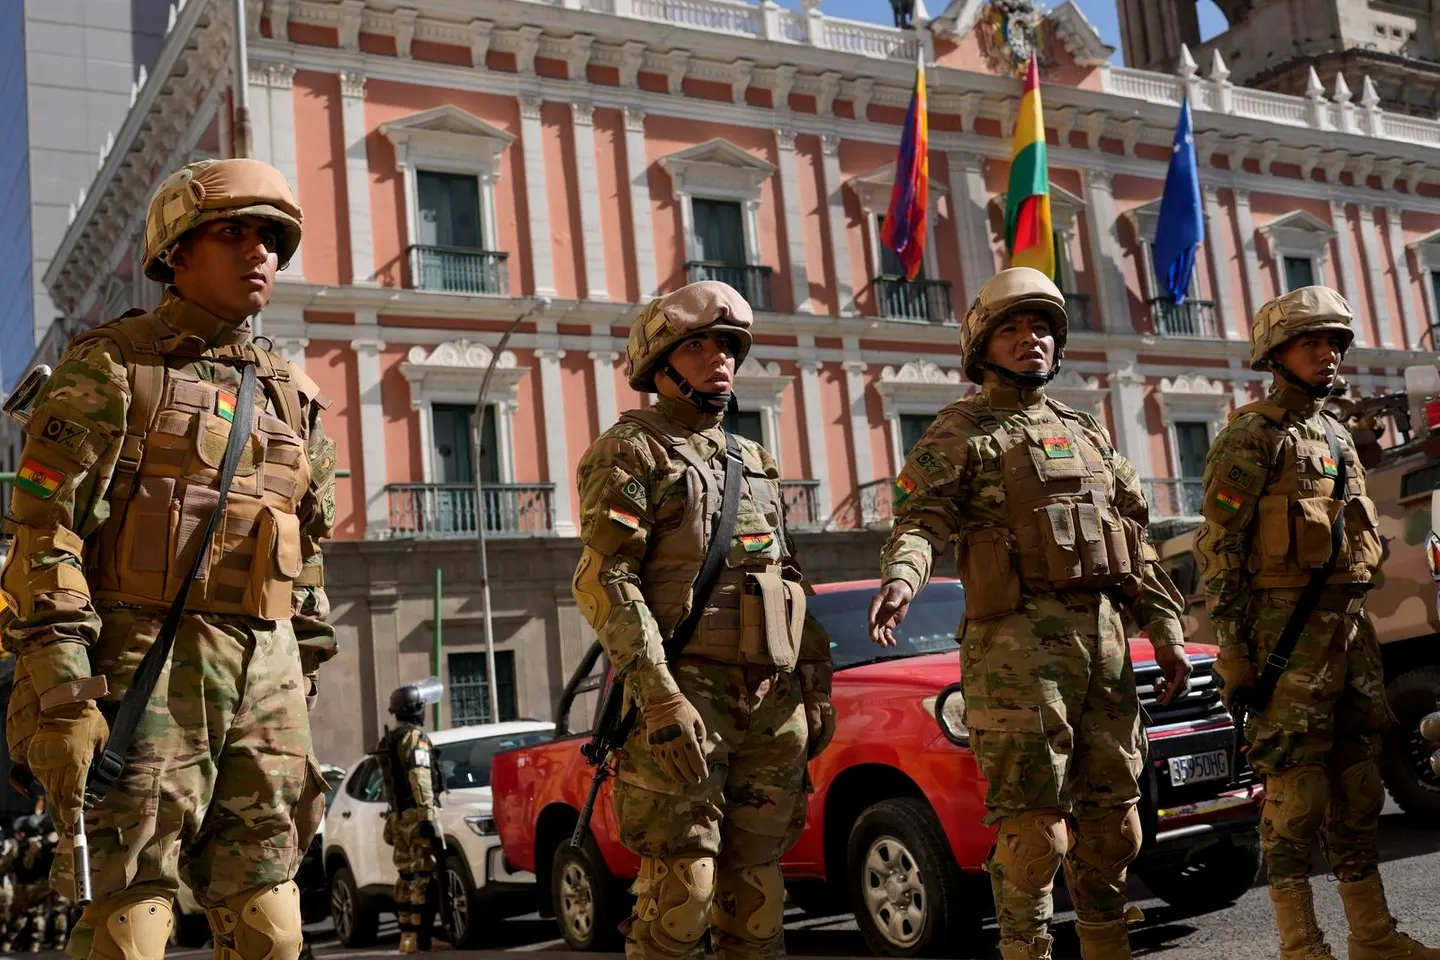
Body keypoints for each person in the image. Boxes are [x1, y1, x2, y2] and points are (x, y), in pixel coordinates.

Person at [0, 157, 337, 960]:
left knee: (272, 924)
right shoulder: (112, 366)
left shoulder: (292, 391)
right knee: (131, 920)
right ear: (177, 253)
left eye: (271, 239)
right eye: (234, 233)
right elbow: (46, 534)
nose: (259, 252)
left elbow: (308, 548)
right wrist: (66, 692)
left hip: (266, 676)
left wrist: (306, 665)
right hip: (144, 668)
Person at [867, 267, 1192, 960]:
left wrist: (1165, 631)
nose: (1030, 340)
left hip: (1102, 650)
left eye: (1041, 327)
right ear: (982, 346)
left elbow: (1136, 542)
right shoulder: (960, 432)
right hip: (1015, 656)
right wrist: (903, 578)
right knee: (1034, 833)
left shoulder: (1088, 434)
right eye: (1012, 329)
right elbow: (920, 521)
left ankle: (1107, 945)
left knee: (1117, 826)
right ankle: (1026, 947)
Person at [571, 281, 834, 960]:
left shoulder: (757, 462)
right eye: (697, 345)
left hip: (770, 705)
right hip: (685, 701)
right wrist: (658, 698)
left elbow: (788, 580)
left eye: (727, 345)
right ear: (661, 364)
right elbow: (606, 576)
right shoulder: (632, 449)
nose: (718, 357)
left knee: (759, 899)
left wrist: (815, 683)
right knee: (682, 895)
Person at [1196, 286, 1438, 960]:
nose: (1328, 355)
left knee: (1359, 790)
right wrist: (1236, 654)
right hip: (1284, 644)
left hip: (1349, 638)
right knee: (1296, 799)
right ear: (1276, 354)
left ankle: (1373, 935)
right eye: (1311, 343)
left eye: (1334, 343)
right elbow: (1219, 550)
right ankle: (1302, 945)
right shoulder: (1253, 436)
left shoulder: (1335, 433)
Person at [376, 682, 445, 954]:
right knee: (423, 877)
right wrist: (428, 814)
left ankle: (407, 938)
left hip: (398, 817)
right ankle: (423, 939)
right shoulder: (415, 738)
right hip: (417, 816)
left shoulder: (389, 739)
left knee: (405, 877)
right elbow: (420, 776)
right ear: (416, 709)